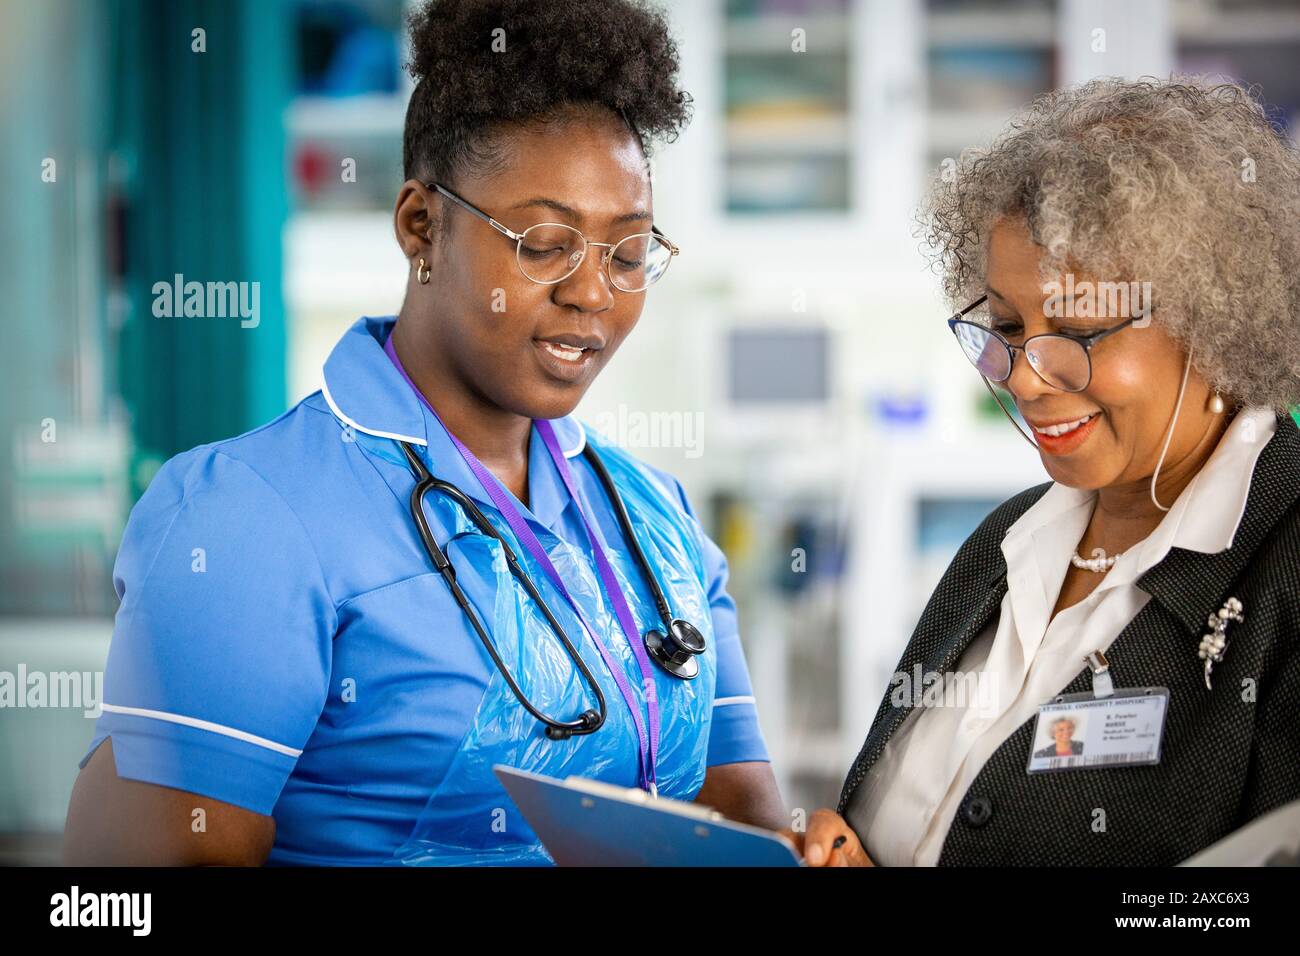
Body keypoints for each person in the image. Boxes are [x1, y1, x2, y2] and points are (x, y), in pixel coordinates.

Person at [64, 0, 783, 866]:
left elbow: (741, 818)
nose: (593, 294)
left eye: (627, 254)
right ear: (421, 227)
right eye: (546, 244)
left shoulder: (653, 521)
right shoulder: (250, 518)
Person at [789, 75, 1300, 867]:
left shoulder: (1285, 561)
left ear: (1213, 317)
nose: (1024, 378)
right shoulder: (1007, 542)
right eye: (1005, 326)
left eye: (1080, 329)